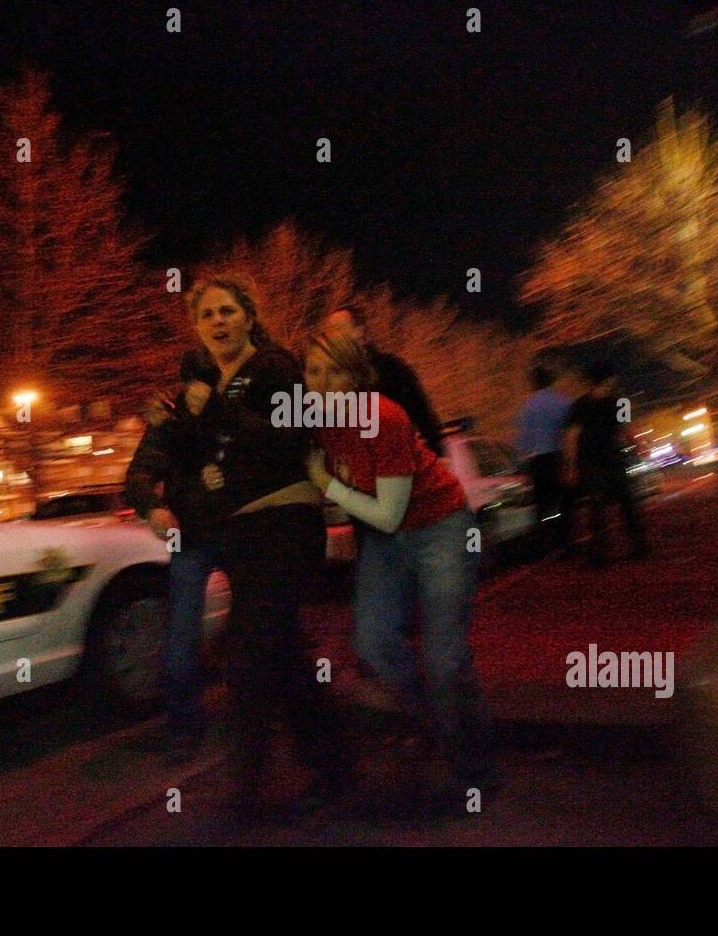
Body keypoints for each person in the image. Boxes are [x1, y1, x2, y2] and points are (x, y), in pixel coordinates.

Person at [171, 274, 352, 813]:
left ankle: (244, 792)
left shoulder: (273, 367)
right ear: (197, 328)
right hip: (244, 535)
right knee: (283, 657)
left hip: (284, 526)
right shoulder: (213, 386)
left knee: (248, 656)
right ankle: (336, 772)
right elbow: (205, 464)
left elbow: (291, 437)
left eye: (228, 311)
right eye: (207, 315)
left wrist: (217, 413)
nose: (218, 322)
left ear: (250, 316)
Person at [303, 328, 491, 791]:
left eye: (335, 371)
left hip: (439, 529)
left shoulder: (381, 416)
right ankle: (433, 723)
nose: (322, 381)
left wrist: (325, 484)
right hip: (388, 540)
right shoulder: (318, 425)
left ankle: (472, 769)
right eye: (312, 371)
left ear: (356, 377)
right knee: (372, 643)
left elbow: (386, 513)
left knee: (445, 659)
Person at [124, 348, 224, 762]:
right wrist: (152, 506)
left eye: (205, 385)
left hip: (239, 528)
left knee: (267, 623)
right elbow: (139, 472)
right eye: (191, 386)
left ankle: (273, 708)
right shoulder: (168, 420)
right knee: (181, 634)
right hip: (192, 534)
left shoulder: (231, 408)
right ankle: (184, 727)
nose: (197, 394)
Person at [323, 304, 444, 455]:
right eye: (329, 332)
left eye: (339, 328)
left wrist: (437, 454)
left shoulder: (390, 369)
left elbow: (422, 414)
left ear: (358, 331)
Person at [561, 361, 650, 567]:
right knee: (627, 502)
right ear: (607, 380)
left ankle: (599, 553)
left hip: (591, 461)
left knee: (597, 506)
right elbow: (626, 429)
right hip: (613, 458)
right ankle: (639, 544)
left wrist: (571, 466)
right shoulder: (619, 402)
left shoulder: (579, 406)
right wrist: (639, 446)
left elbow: (571, 436)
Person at [515, 358, 582, 557]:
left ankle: (541, 546)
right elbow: (572, 432)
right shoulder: (564, 402)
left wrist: (521, 461)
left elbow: (524, 439)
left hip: (539, 461)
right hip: (561, 458)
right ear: (552, 381)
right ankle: (565, 543)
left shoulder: (528, 407)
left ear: (533, 383)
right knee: (565, 503)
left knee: (541, 506)